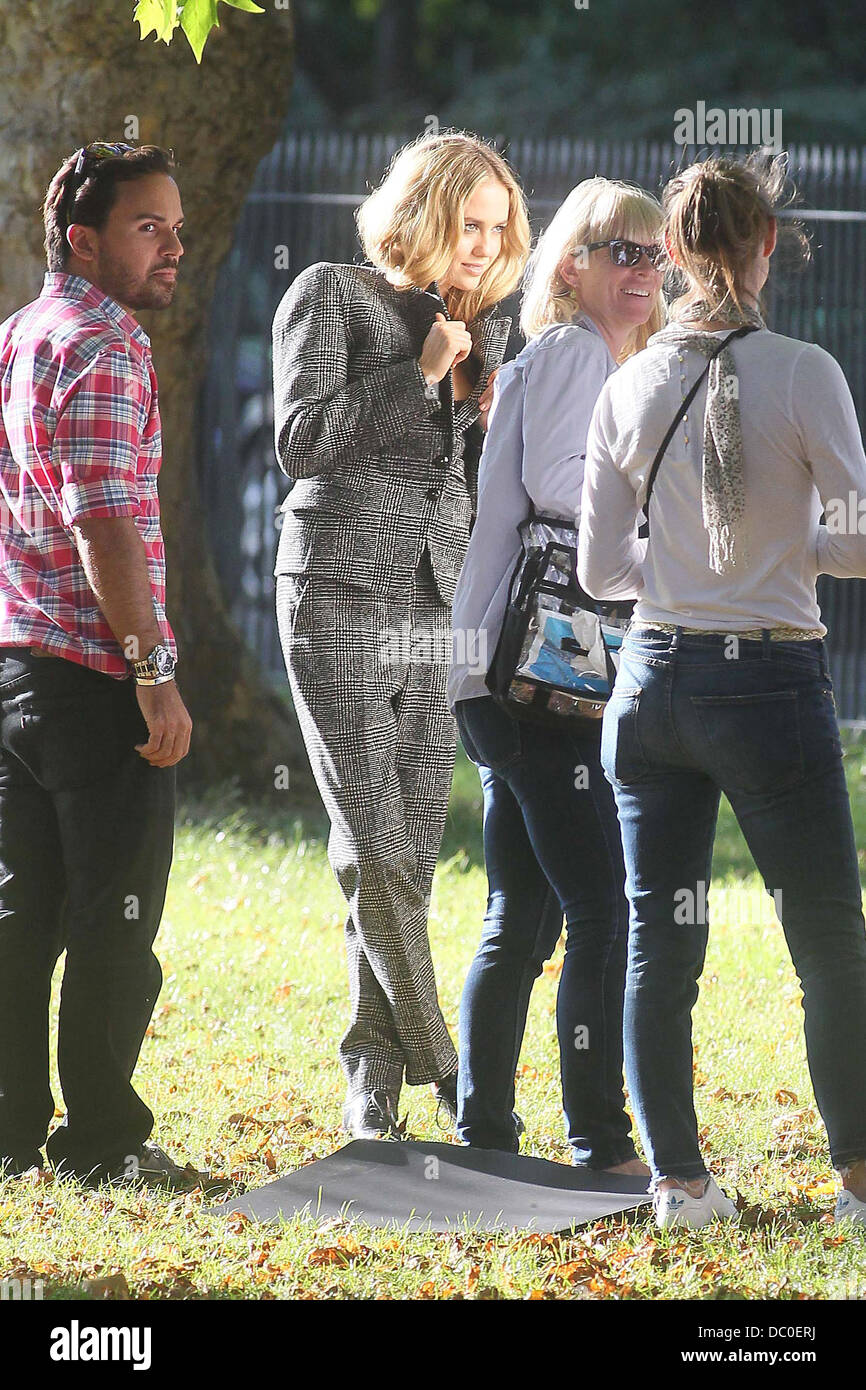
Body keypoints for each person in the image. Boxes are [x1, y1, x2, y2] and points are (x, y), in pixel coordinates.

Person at [578, 153, 866, 1228]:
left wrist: (688, 561)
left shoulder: (628, 382)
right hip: (768, 682)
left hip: (650, 685)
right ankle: (857, 1182)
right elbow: (856, 542)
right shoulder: (804, 372)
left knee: (659, 942)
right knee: (828, 938)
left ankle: (677, 1184)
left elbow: (602, 573)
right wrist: (778, 549)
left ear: (675, 258)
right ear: (761, 246)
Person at [272, 132, 530, 1139]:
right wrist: (414, 375)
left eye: (495, 230)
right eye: (467, 225)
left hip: (438, 603)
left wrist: (480, 414)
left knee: (411, 852)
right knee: (369, 842)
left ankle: (372, 1092)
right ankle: (446, 1065)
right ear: (422, 210)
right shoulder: (331, 294)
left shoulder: (487, 324)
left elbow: (459, 480)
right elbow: (300, 444)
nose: (481, 246)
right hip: (337, 585)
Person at [449, 177, 664, 1167]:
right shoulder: (577, 353)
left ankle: (484, 1128)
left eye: (655, 254)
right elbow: (561, 493)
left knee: (521, 914)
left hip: (502, 674)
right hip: (542, 674)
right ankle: (598, 1140)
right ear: (570, 264)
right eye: (621, 250)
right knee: (600, 908)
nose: (643, 269)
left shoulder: (570, 356)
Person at [0, 143, 204, 1189]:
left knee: (16, 924)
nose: (174, 245)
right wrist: (154, 670)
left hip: (14, 681)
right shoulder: (104, 341)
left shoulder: (16, 338)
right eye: (147, 228)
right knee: (115, 926)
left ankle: (7, 1136)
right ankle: (103, 1145)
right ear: (83, 240)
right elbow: (107, 526)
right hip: (92, 681)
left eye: (175, 224)